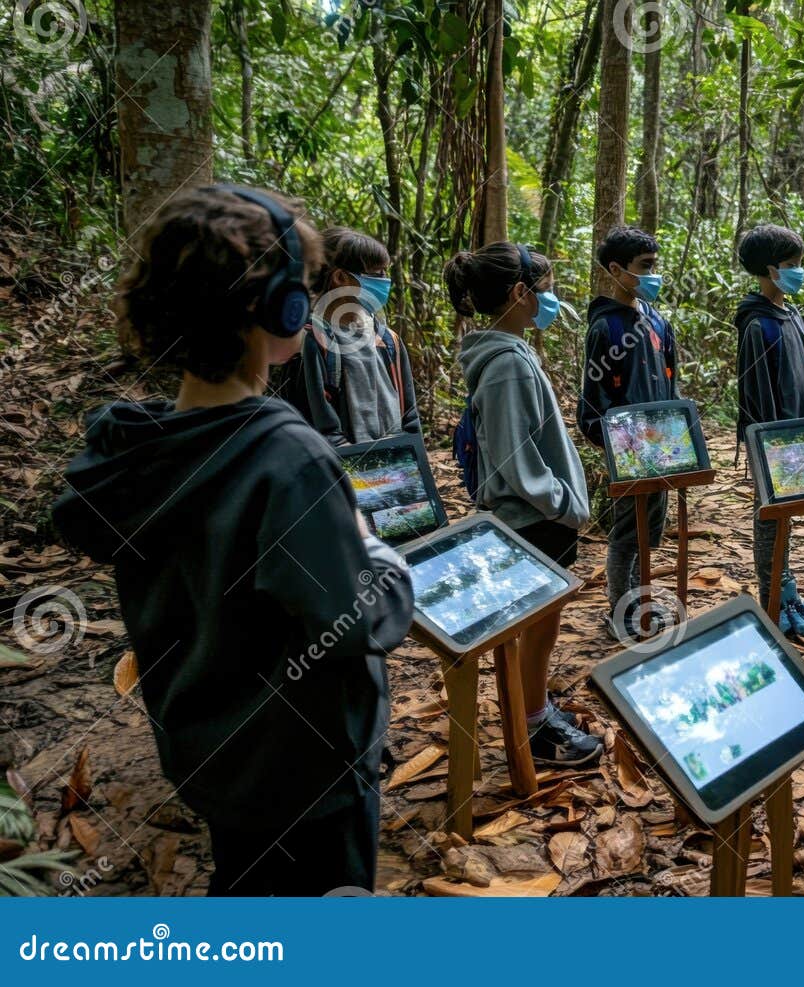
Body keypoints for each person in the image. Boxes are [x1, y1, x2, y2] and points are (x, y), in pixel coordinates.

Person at [51, 185, 414, 895]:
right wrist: (375, 548)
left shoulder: (134, 445)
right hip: (308, 770)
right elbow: (358, 618)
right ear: (277, 306)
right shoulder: (286, 457)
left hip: (213, 758)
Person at [447, 242, 599, 768]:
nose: (553, 300)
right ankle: (532, 728)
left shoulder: (511, 350)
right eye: (547, 289)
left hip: (541, 519)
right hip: (533, 520)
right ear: (519, 294)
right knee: (534, 629)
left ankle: (533, 710)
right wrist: (561, 503)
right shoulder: (508, 362)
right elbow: (515, 456)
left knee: (542, 626)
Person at [579, 225, 678, 640]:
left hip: (665, 446)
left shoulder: (657, 320)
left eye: (655, 266)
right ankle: (622, 609)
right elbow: (592, 398)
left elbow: (671, 383)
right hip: (627, 449)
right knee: (626, 532)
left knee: (649, 530)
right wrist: (615, 446)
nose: (653, 275)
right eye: (644, 267)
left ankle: (641, 600)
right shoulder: (605, 327)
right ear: (616, 270)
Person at [734, 224, 804, 638]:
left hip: (803, 438)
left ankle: (787, 591)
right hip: (773, 445)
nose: (798, 272)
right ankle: (774, 599)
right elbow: (756, 397)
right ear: (770, 270)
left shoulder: (791, 315)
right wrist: (766, 449)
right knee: (770, 519)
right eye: (791, 266)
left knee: (789, 522)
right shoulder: (758, 324)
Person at [283, 226, 420, 445]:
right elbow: (323, 428)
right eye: (377, 274)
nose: (385, 281)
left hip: (396, 468)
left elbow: (410, 417)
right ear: (340, 277)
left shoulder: (388, 339)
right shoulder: (312, 341)